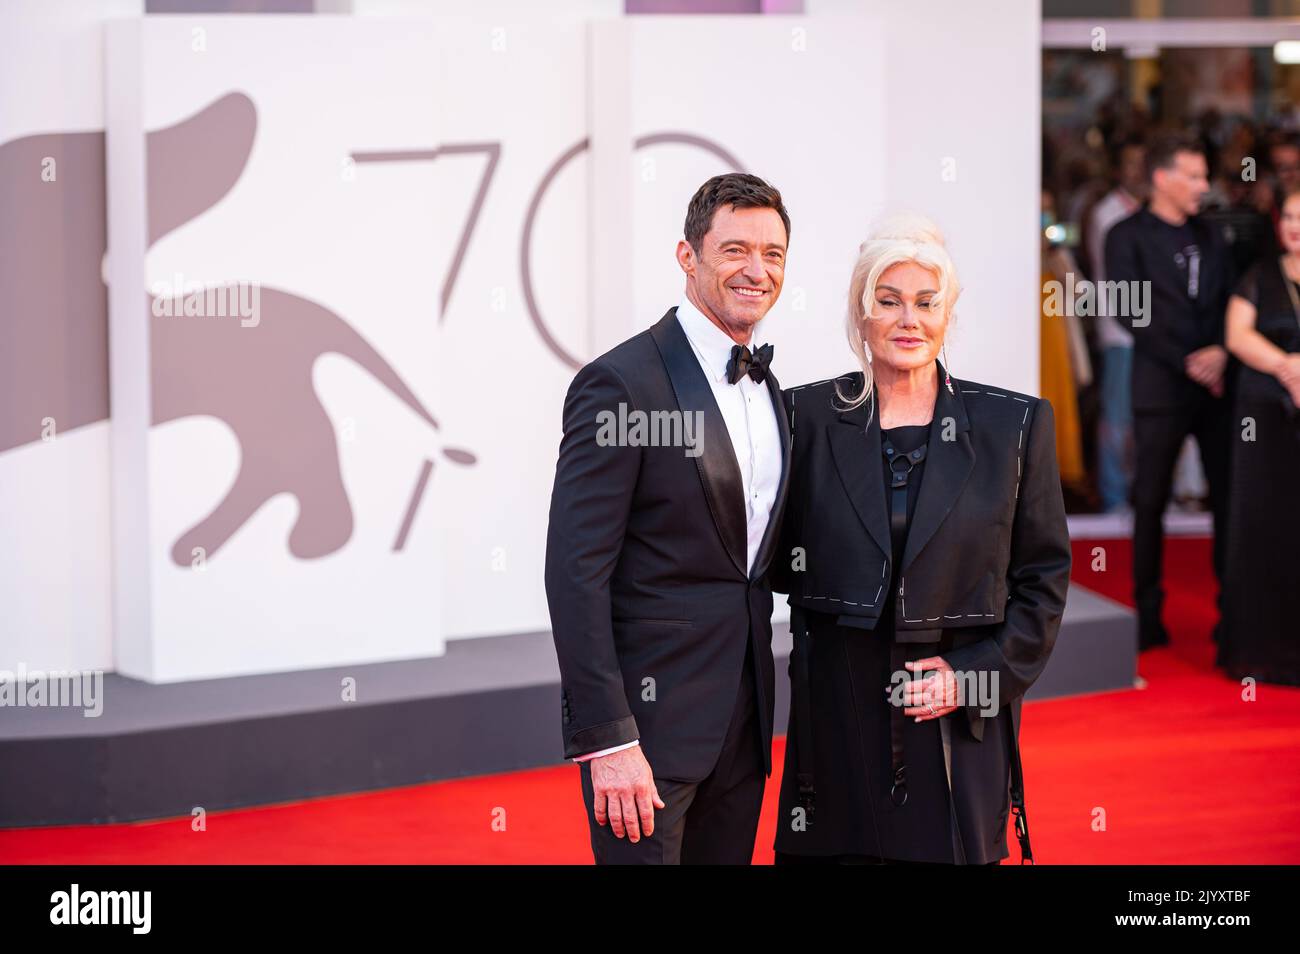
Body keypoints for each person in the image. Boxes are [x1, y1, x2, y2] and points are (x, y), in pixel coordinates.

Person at [769, 214, 1071, 865]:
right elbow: (759, 552)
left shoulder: (1013, 424)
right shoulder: (804, 418)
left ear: (948, 315)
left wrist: (972, 678)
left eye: (927, 303)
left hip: (953, 723)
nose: (909, 319)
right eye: (889, 300)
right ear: (862, 314)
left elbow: (1043, 582)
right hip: (837, 717)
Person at [544, 173, 792, 864]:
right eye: (735, 248)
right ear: (688, 256)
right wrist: (609, 739)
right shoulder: (622, 383)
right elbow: (575, 571)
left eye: (773, 254)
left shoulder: (769, 385)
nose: (756, 270)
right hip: (647, 737)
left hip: (744, 730)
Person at [1105, 131, 1236, 651]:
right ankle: (1148, 617)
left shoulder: (1211, 234)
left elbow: (1230, 298)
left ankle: (1233, 613)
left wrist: (1222, 350)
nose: (1204, 186)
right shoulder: (1125, 235)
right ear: (1163, 178)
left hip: (1217, 386)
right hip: (1160, 384)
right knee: (1151, 501)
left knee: (1227, 500)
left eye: (1205, 176)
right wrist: (1192, 358)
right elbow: (1128, 309)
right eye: (1195, 176)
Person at [1219, 184, 1300, 686]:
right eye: (1289, 215)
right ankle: (1262, 644)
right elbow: (1237, 335)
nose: (1294, 225)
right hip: (1264, 421)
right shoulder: (1259, 274)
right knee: (1267, 526)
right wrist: (1289, 368)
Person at [1088, 137, 1146, 513]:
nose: (1138, 171)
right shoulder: (1107, 213)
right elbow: (1115, 280)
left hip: (1152, 333)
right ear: (1118, 170)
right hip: (1120, 330)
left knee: (1147, 416)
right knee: (1118, 416)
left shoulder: (1153, 209)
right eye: (1130, 163)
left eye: (1144, 163)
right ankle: (1114, 496)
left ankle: (1144, 492)